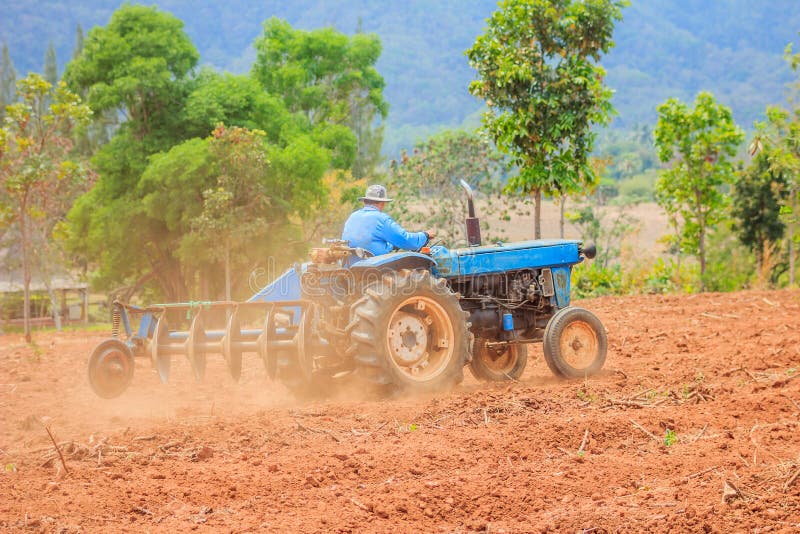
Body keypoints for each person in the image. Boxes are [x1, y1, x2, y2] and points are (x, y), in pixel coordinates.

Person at [341, 184, 435, 257]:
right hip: (372, 268)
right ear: (382, 203)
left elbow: (368, 241)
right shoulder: (381, 219)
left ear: (365, 201)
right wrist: (425, 235)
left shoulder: (352, 216)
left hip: (350, 264)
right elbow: (406, 240)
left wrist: (391, 245)